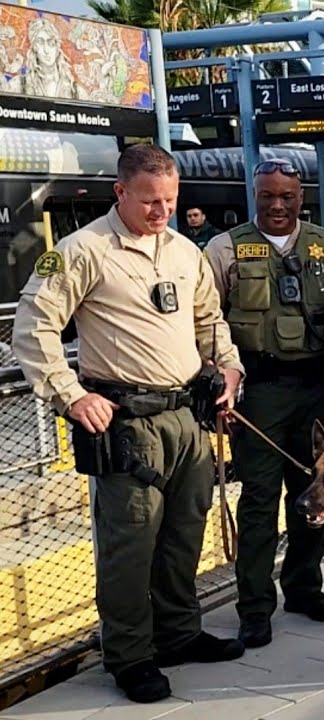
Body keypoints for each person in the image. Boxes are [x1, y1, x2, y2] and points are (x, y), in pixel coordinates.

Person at [12, 144, 245, 704]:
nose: (160, 211)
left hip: (187, 417)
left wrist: (229, 370)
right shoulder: (80, 251)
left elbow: (209, 320)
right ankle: (130, 656)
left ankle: (179, 633)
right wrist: (70, 395)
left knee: (185, 534)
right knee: (129, 548)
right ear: (120, 192)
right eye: (149, 201)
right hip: (126, 425)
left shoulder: (186, 253)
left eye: (169, 200)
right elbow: (32, 326)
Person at [204, 158, 324, 649]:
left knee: (313, 497)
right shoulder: (224, 249)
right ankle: (255, 606)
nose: (278, 204)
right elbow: (207, 322)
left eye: (287, 195)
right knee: (260, 502)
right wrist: (217, 386)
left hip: (317, 391)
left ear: (301, 196)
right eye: (268, 195)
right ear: (255, 195)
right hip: (259, 394)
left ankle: (305, 588)